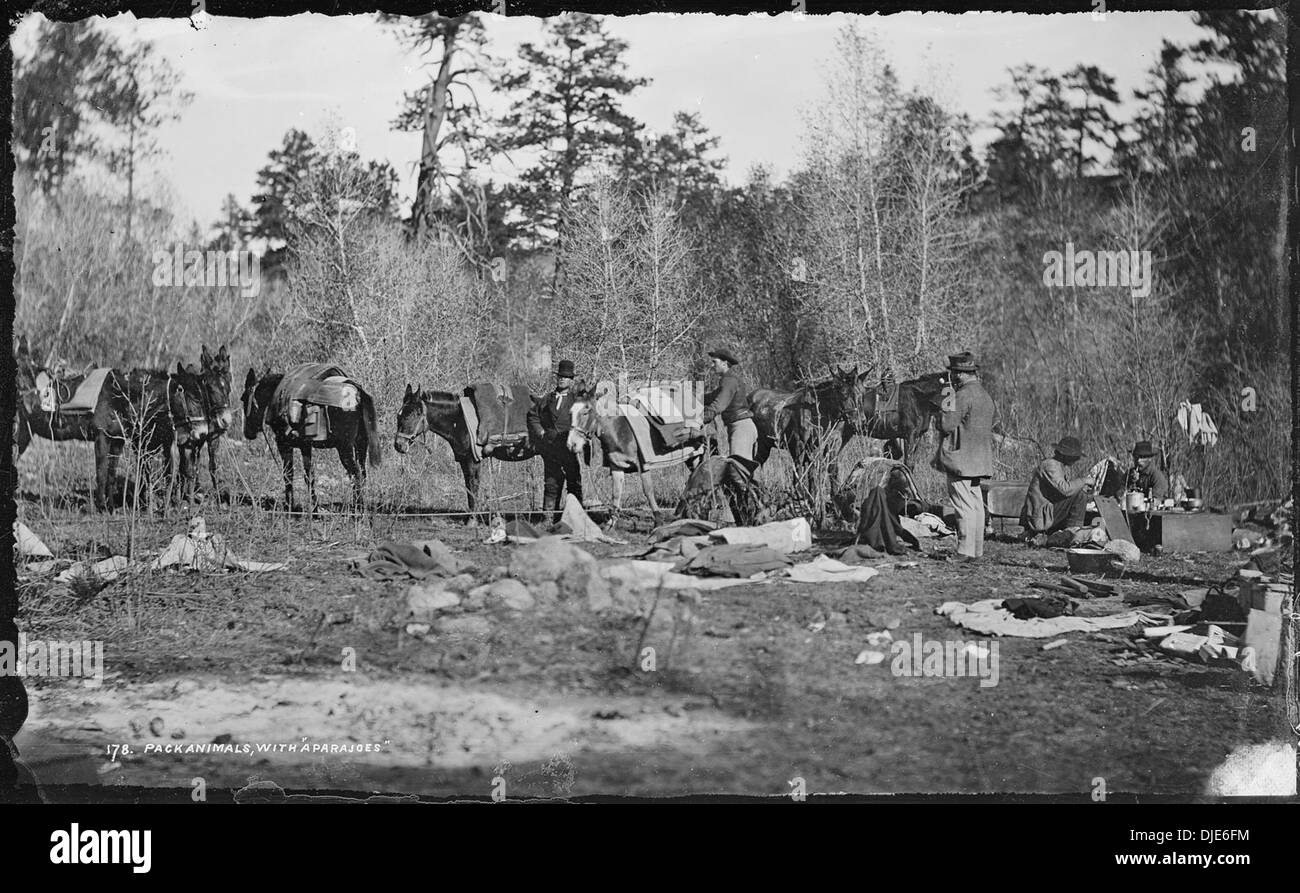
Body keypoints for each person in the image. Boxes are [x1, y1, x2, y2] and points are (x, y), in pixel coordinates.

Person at [935, 351, 995, 561]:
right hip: (980, 461)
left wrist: (945, 398)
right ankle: (976, 551)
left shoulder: (962, 395)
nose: (952, 377)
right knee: (976, 505)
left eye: (953, 373)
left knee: (964, 507)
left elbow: (945, 424)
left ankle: (964, 551)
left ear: (960, 374)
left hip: (961, 460)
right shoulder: (985, 395)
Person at [702, 347, 760, 524]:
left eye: (715, 362)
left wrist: (699, 419)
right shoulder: (727, 381)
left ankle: (749, 520)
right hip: (740, 428)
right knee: (744, 476)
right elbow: (713, 397)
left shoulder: (729, 381)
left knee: (738, 477)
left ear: (725, 363)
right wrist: (691, 397)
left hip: (740, 429)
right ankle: (751, 518)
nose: (712, 365)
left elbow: (718, 405)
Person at [526, 359, 583, 521]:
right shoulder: (547, 399)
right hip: (550, 448)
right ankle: (549, 517)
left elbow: (584, 420)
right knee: (551, 482)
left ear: (571, 380)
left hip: (569, 447)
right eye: (560, 376)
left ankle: (576, 516)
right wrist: (541, 432)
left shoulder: (576, 400)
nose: (562, 379)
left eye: (566, 377)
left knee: (574, 481)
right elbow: (532, 416)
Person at [1020, 435, 1092, 539]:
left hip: (1045, 513)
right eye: (1074, 456)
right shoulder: (1050, 465)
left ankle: (1070, 533)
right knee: (1080, 495)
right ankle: (1072, 534)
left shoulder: (1058, 466)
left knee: (1080, 493)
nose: (1076, 459)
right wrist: (1084, 481)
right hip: (1039, 516)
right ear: (1064, 455)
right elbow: (1065, 490)